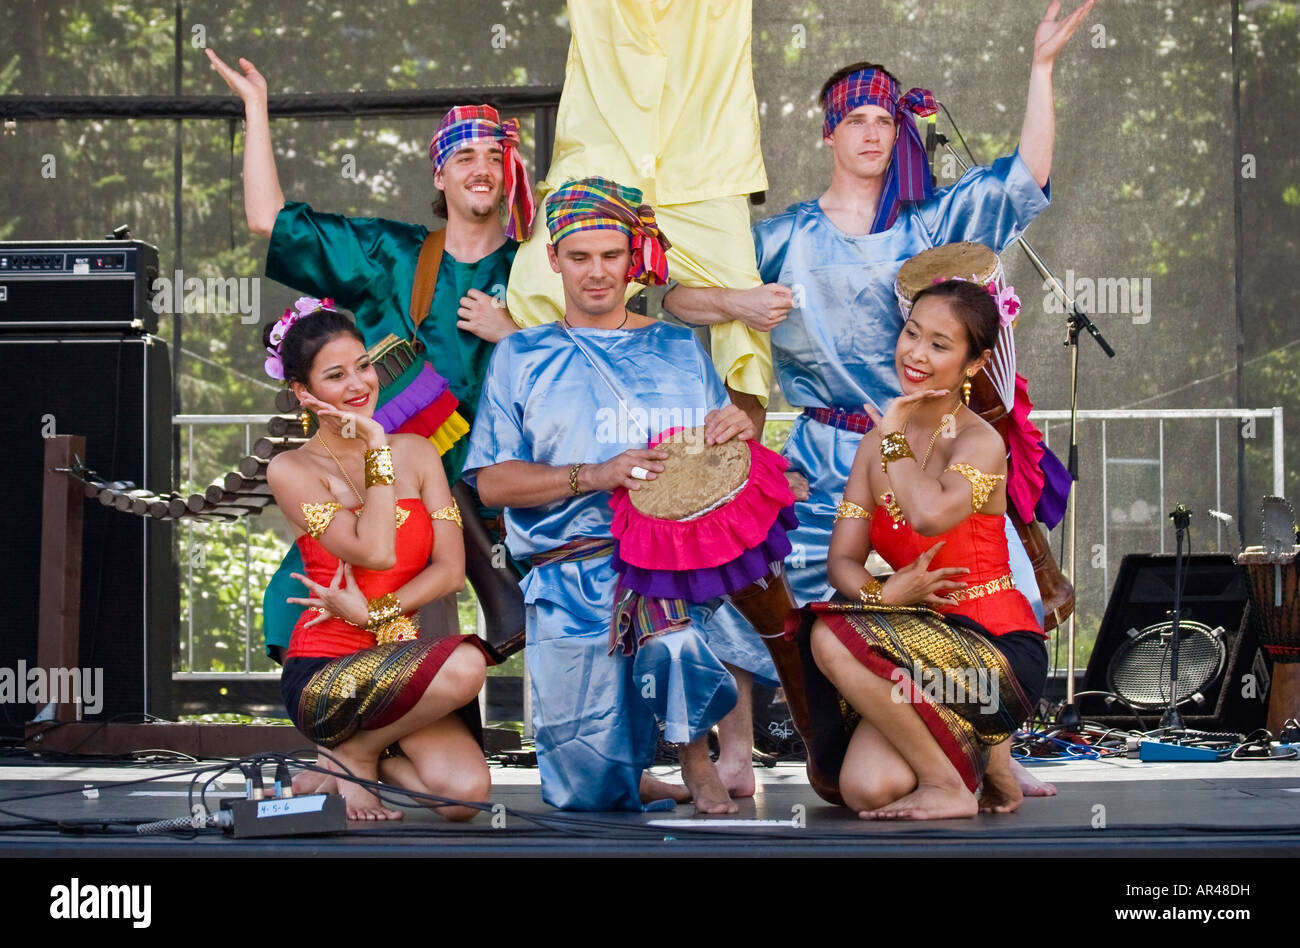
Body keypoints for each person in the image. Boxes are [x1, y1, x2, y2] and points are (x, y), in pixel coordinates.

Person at [664, 1, 1095, 794]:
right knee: (749, 579)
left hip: (925, 447)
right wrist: (737, 305)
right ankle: (737, 751)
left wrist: (1041, 69)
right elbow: (676, 297)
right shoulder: (781, 239)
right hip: (825, 451)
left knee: (966, 584)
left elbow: (1025, 179)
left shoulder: (927, 226)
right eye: (855, 118)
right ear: (828, 134)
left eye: (883, 120)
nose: (871, 132)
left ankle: (993, 748)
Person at [465, 177, 758, 814]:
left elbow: (719, 465)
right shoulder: (520, 355)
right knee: (589, 796)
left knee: (676, 643)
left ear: (632, 258)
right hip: (568, 579)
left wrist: (738, 430)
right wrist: (596, 475)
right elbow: (490, 482)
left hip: (667, 568)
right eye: (579, 257)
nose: (597, 273)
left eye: (611, 256)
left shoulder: (680, 347)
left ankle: (696, 756)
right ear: (554, 259)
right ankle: (635, 773)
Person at [792, 279, 1049, 820]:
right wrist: (884, 593)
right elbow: (842, 561)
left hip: (994, 650)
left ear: (973, 362)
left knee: (828, 634)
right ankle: (982, 758)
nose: (916, 353)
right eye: (912, 334)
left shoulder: (980, 442)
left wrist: (893, 439)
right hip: (915, 644)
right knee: (866, 787)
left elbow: (929, 514)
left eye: (940, 343)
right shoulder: (873, 445)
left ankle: (948, 782)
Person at [264, 298, 497, 822]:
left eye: (363, 365)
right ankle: (349, 751)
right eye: (335, 375)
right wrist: (375, 451)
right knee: (466, 663)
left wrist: (374, 614)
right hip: (326, 670)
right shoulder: (292, 469)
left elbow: (450, 572)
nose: (358, 384)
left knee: (464, 799)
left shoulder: (418, 451)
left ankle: (356, 754)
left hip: (401, 665)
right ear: (303, 393)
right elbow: (376, 549)